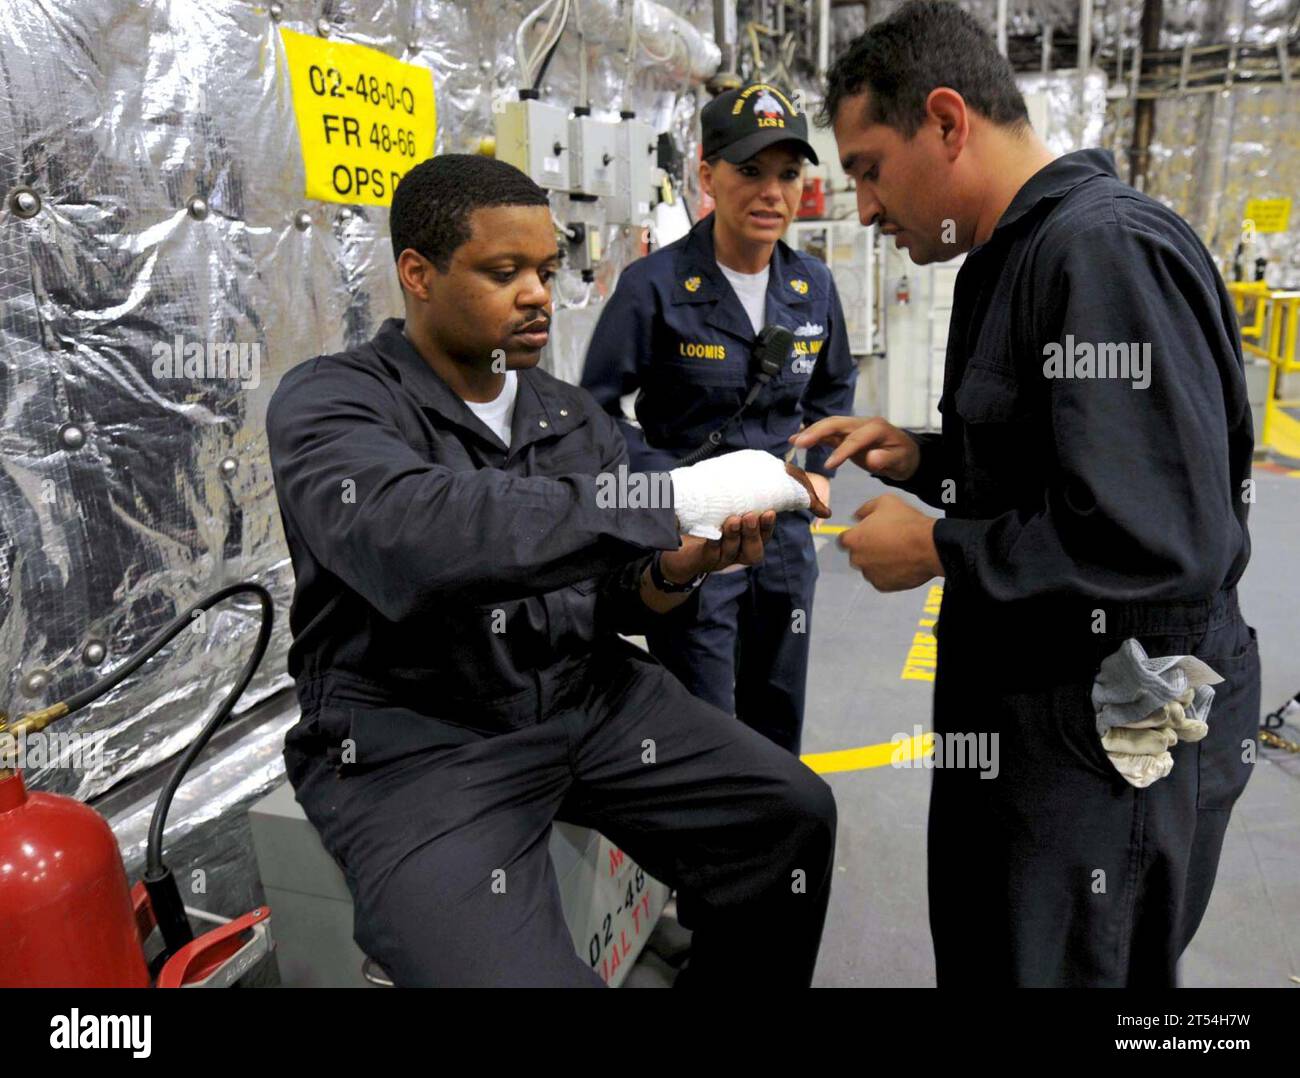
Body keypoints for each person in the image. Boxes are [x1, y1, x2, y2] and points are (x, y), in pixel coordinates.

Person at [265, 153, 837, 987]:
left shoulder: (567, 413)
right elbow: (413, 539)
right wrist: (672, 497)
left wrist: (670, 572)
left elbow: (613, 595)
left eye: (545, 269)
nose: (537, 292)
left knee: (790, 817)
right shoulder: (333, 403)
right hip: (421, 739)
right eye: (505, 272)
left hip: (585, 696)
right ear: (417, 275)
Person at [794, 0, 1259, 987]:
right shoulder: (1005, 258)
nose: (864, 210)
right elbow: (1058, 463)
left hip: (1106, 734)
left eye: (870, 168)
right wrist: (919, 455)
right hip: (1027, 720)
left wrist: (935, 549)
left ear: (948, 122)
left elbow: (1156, 541)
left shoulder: (1099, 252)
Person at [582, 82, 858, 756]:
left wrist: (813, 471)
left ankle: (774, 847)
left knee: (778, 707)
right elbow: (592, 410)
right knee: (704, 725)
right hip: (697, 537)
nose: (772, 193)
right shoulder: (654, 286)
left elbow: (833, 386)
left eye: (788, 175)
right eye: (750, 171)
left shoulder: (812, 287)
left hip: (786, 543)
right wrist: (670, 489)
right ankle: (706, 854)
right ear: (708, 176)